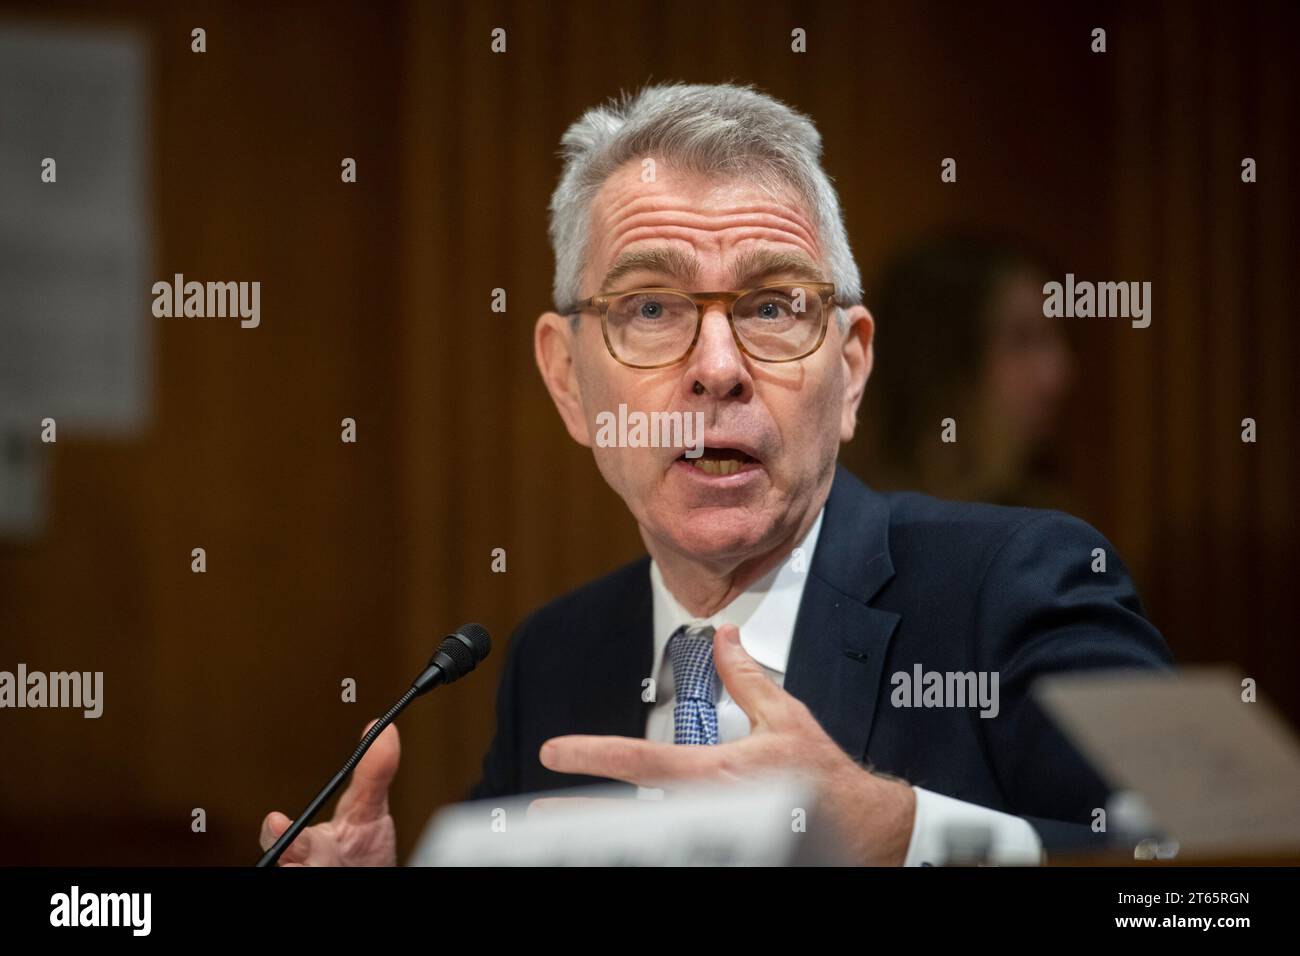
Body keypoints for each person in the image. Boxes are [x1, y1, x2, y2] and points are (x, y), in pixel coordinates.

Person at [260, 83, 1171, 867]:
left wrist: (899, 835)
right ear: (568, 381)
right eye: (652, 307)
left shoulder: (1015, 589)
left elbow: (1203, 888)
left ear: (850, 369)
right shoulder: (558, 656)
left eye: (773, 305)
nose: (719, 366)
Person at [862, 234, 1075, 508]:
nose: (1056, 374)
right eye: (1021, 340)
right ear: (942, 361)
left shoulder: (1047, 521)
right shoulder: (844, 525)